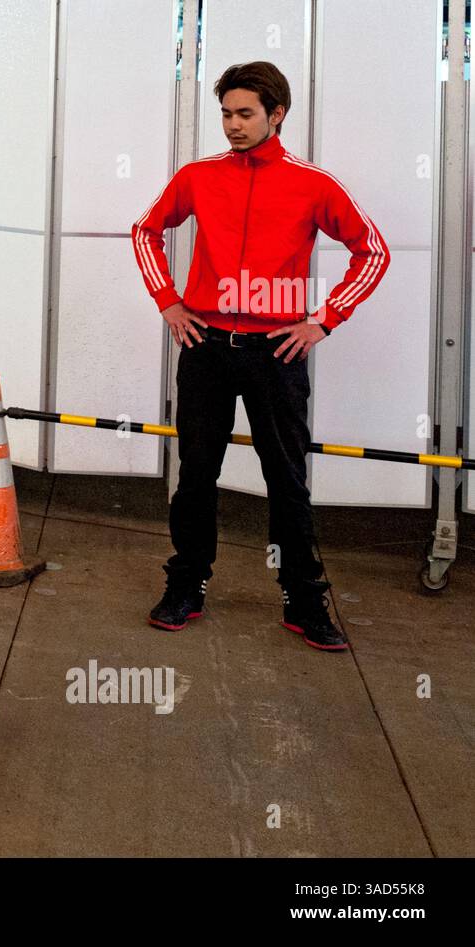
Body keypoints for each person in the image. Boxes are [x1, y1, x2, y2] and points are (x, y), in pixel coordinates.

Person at [131, 61, 390, 651]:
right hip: (206, 346)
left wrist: (324, 319)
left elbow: (371, 252)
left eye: (245, 114)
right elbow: (147, 230)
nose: (233, 125)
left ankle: (304, 601)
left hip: (277, 351)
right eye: (225, 114)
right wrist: (169, 301)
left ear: (277, 114)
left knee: (287, 479)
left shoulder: (313, 184)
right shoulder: (198, 175)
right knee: (196, 474)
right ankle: (186, 586)